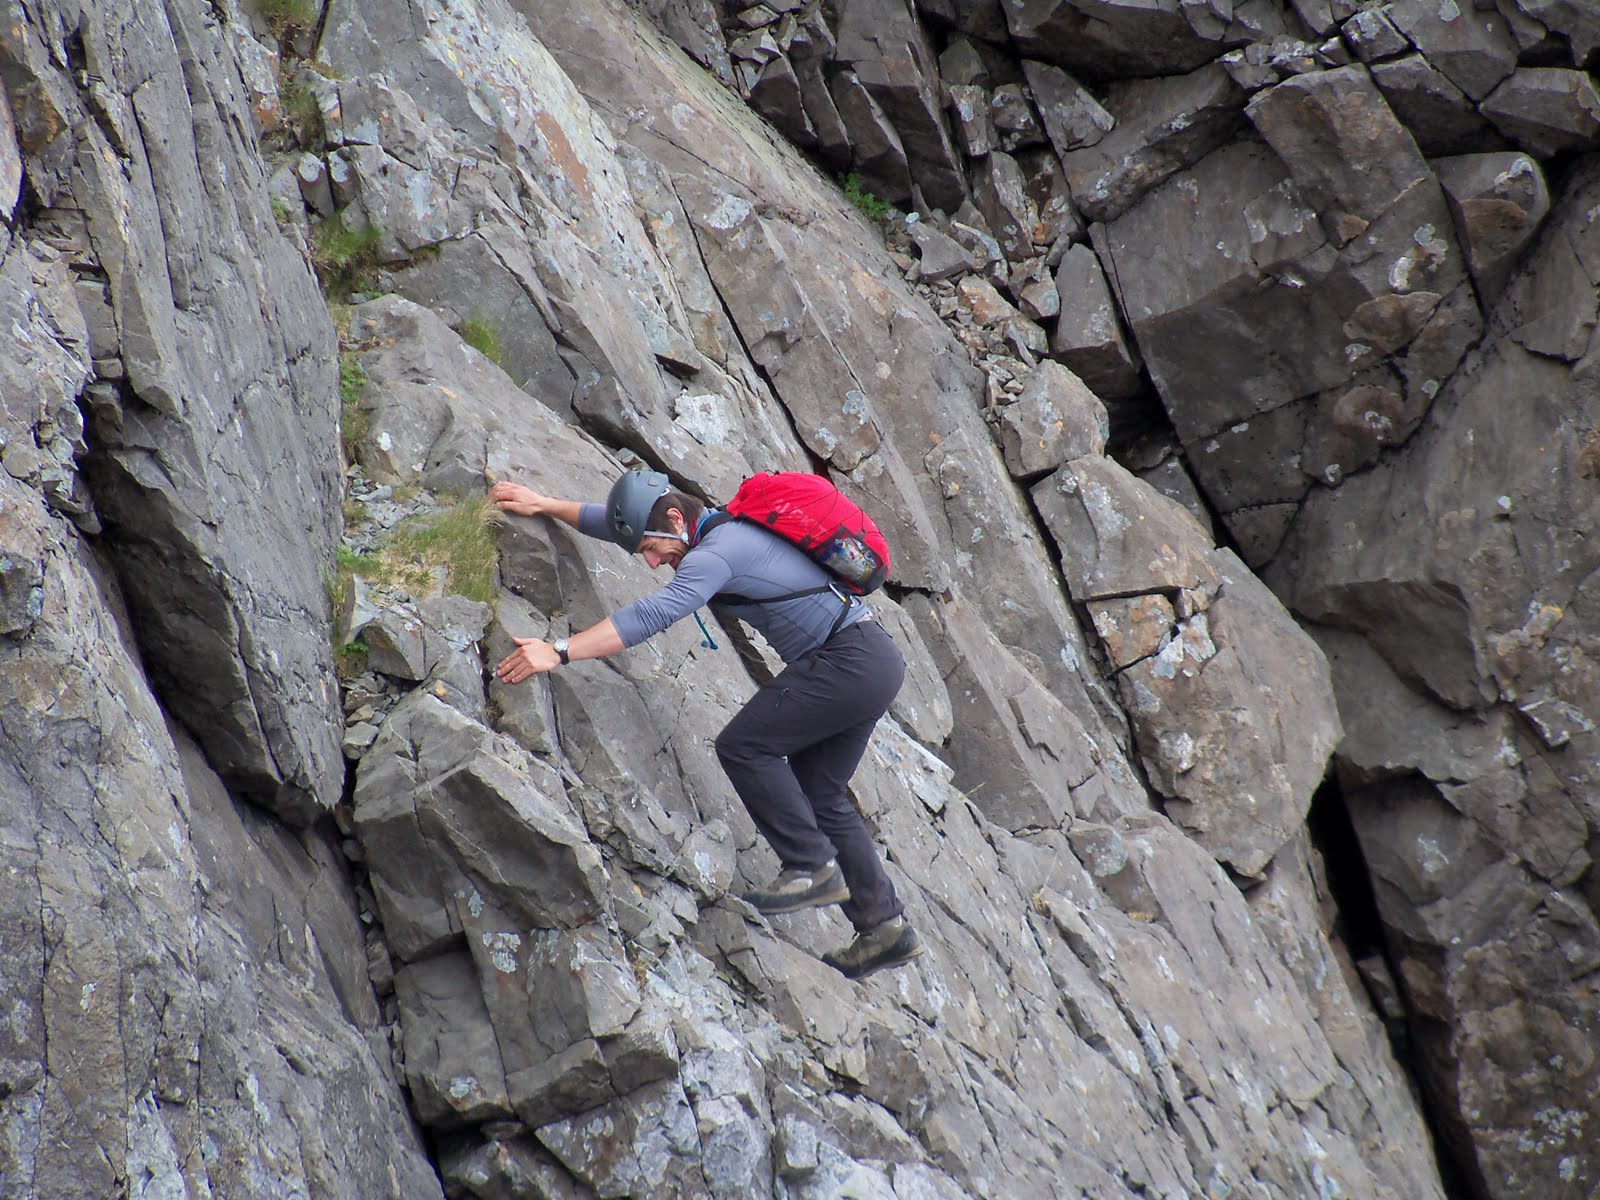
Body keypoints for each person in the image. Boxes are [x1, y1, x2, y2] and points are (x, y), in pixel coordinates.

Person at [489, 470, 924, 980]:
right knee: (819, 793)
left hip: (847, 663)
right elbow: (613, 524)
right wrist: (545, 503)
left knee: (745, 747)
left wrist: (559, 651)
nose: (652, 562)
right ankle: (885, 927)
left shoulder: (716, 552)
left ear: (677, 520)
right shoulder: (714, 530)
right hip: (872, 661)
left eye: (652, 548)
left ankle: (811, 867)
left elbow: (654, 614)